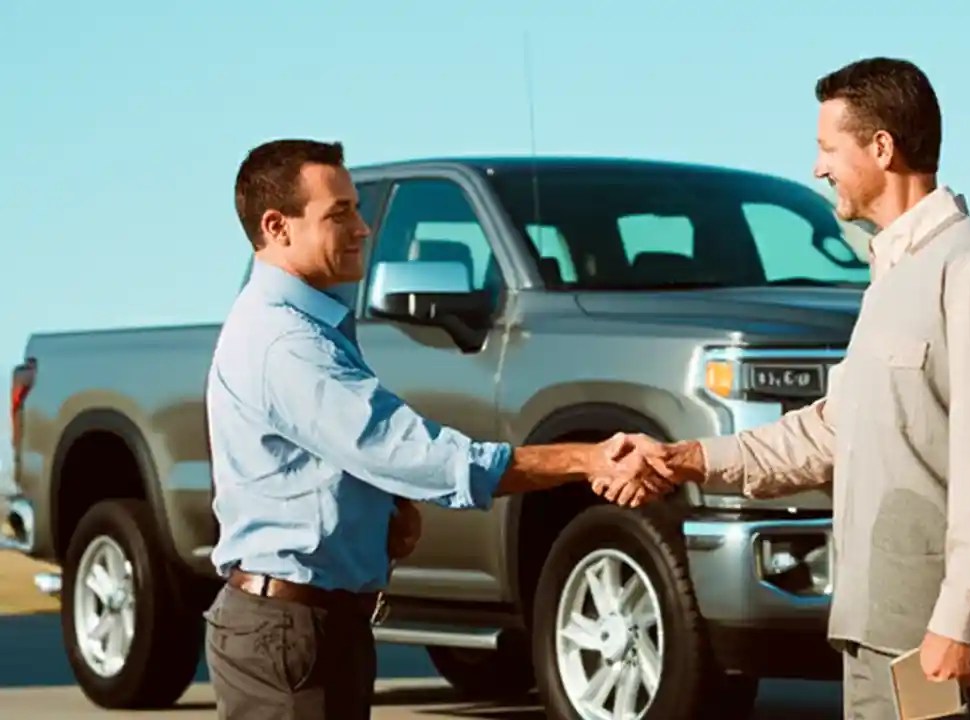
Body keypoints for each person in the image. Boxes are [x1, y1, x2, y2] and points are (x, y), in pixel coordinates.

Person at [611, 57, 970, 719]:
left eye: (826, 148)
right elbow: (829, 432)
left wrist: (963, 618)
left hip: (931, 636)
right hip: (872, 624)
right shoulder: (891, 276)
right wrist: (684, 460)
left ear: (882, 147)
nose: (818, 169)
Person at [203, 138, 671, 719]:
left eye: (356, 208)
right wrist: (587, 461)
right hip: (289, 632)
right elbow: (411, 453)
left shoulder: (303, 327)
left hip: (311, 625)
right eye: (340, 213)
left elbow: (342, 457)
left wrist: (385, 508)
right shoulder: (286, 343)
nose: (364, 228)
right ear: (277, 226)